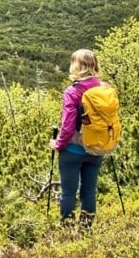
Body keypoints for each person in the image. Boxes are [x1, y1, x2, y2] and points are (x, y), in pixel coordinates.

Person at [50, 48, 107, 228]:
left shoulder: (72, 91)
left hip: (73, 150)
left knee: (68, 192)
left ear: (77, 66)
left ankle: (67, 229)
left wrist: (58, 144)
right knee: (89, 191)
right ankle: (86, 228)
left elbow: (67, 126)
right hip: (97, 148)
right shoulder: (105, 88)